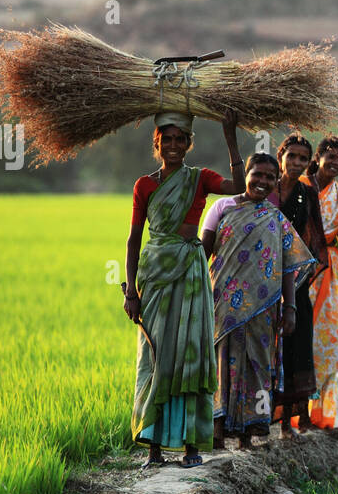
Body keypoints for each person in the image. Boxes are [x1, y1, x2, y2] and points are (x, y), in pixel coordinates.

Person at [123, 109, 244, 468]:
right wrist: (131, 291)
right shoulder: (144, 184)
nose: (174, 146)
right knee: (157, 354)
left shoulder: (200, 178)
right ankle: (154, 448)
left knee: (191, 350)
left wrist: (230, 136)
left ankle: (192, 447)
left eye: (181, 140)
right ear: (156, 144)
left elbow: (238, 188)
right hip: (155, 274)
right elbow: (133, 240)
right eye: (167, 140)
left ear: (189, 144)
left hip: (191, 272)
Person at [201, 154, 316, 450]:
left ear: (276, 181)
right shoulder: (222, 207)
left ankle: (245, 435)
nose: (263, 181)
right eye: (258, 174)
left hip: (265, 307)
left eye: (270, 177)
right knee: (222, 363)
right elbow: (201, 255)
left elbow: (289, 266)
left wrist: (290, 308)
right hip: (223, 304)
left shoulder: (276, 218)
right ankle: (216, 430)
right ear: (247, 174)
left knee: (257, 365)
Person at [268, 133, 327, 435]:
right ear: (280, 155)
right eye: (291, 156)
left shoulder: (307, 193)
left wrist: (305, 268)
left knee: (298, 342)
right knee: (267, 345)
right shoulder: (266, 186)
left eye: (303, 159)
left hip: (297, 278)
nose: (296, 163)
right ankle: (260, 419)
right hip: (263, 276)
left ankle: (297, 416)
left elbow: (315, 235)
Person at [303, 135, 338, 428]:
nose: (336, 163)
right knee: (298, 340)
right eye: (331, 157)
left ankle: (318, 412)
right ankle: (291, 412)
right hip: (299, 268)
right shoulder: (297, 186)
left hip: (329, 272)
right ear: (319, 156)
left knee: (327, 342)